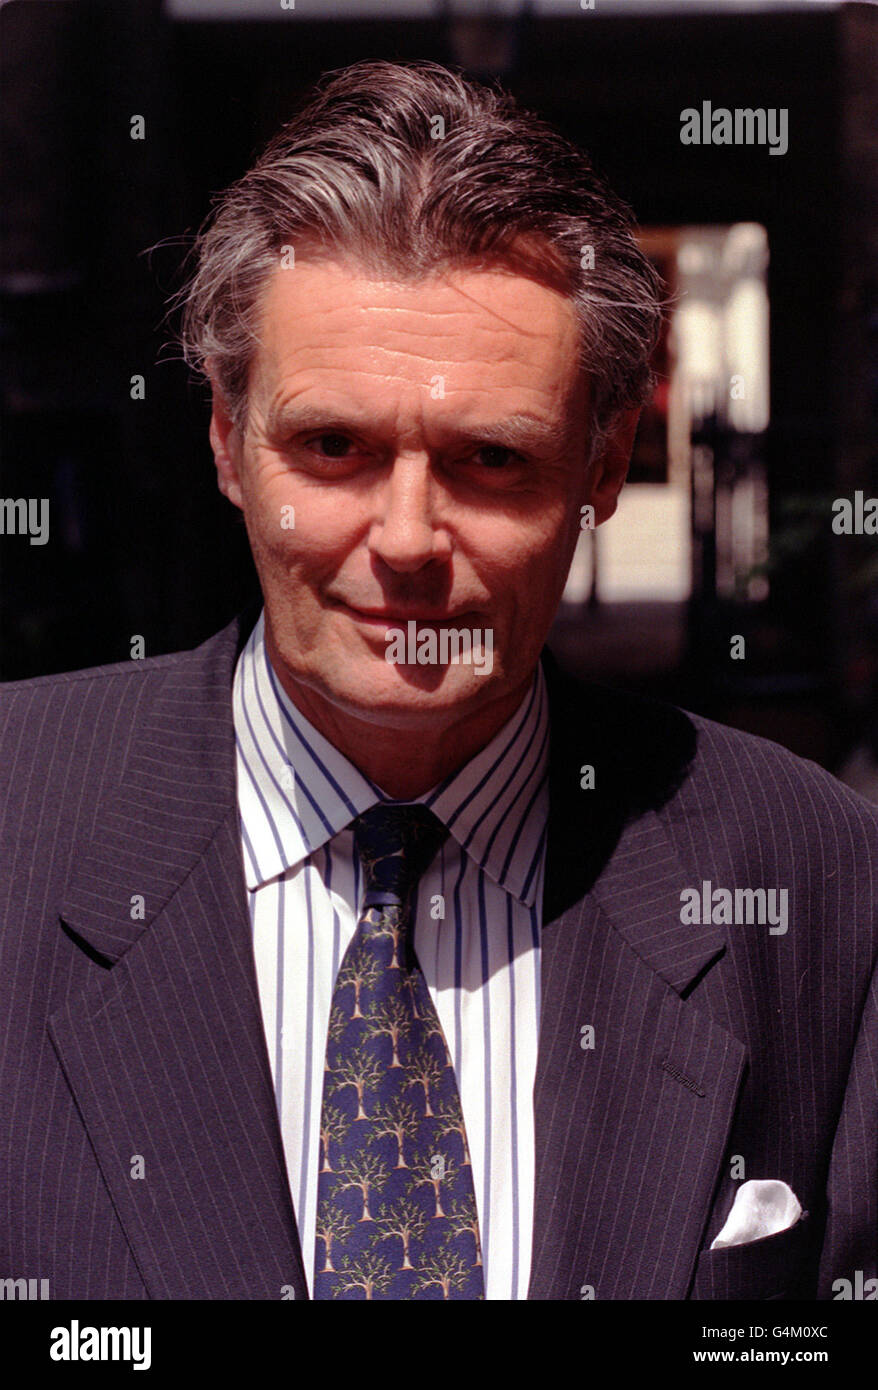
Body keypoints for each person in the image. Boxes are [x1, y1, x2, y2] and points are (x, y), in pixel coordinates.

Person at [1, 60, 875, 1302]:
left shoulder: (814, 879)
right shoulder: (14, 829)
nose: (407, 539)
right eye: (334, 446)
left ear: (601, 463)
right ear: (225, 440)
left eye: (489, 459)